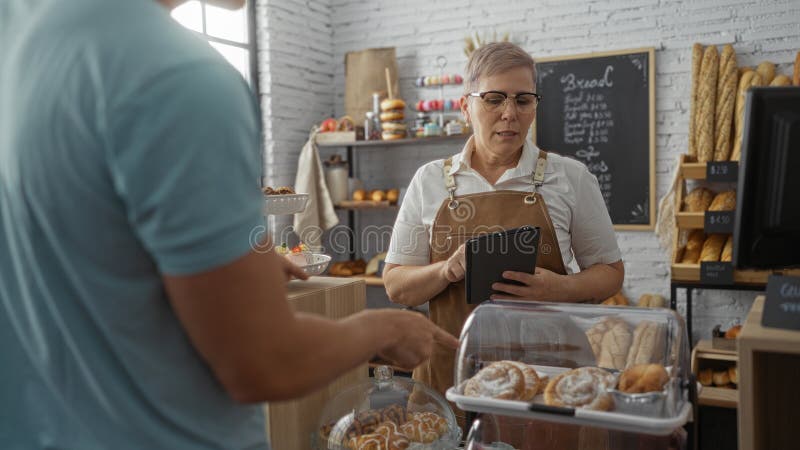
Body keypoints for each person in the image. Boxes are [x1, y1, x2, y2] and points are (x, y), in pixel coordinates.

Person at [0, 0, 457, 448]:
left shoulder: (21, 26)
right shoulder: (176, 75)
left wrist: (225, 266)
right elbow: (264, 361)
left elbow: (73, 246)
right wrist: (387, 330)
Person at [383, 42, 625, 418]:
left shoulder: (571, 177)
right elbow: (396, 285)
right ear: (466, 107)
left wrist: (561, 288)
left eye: (523, 100)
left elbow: (611, 273)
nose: (509, 114)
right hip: (451, 376)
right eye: (494, 99)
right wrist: (445, 270)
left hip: (546, 378)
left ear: (534, 107)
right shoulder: (428, 181)